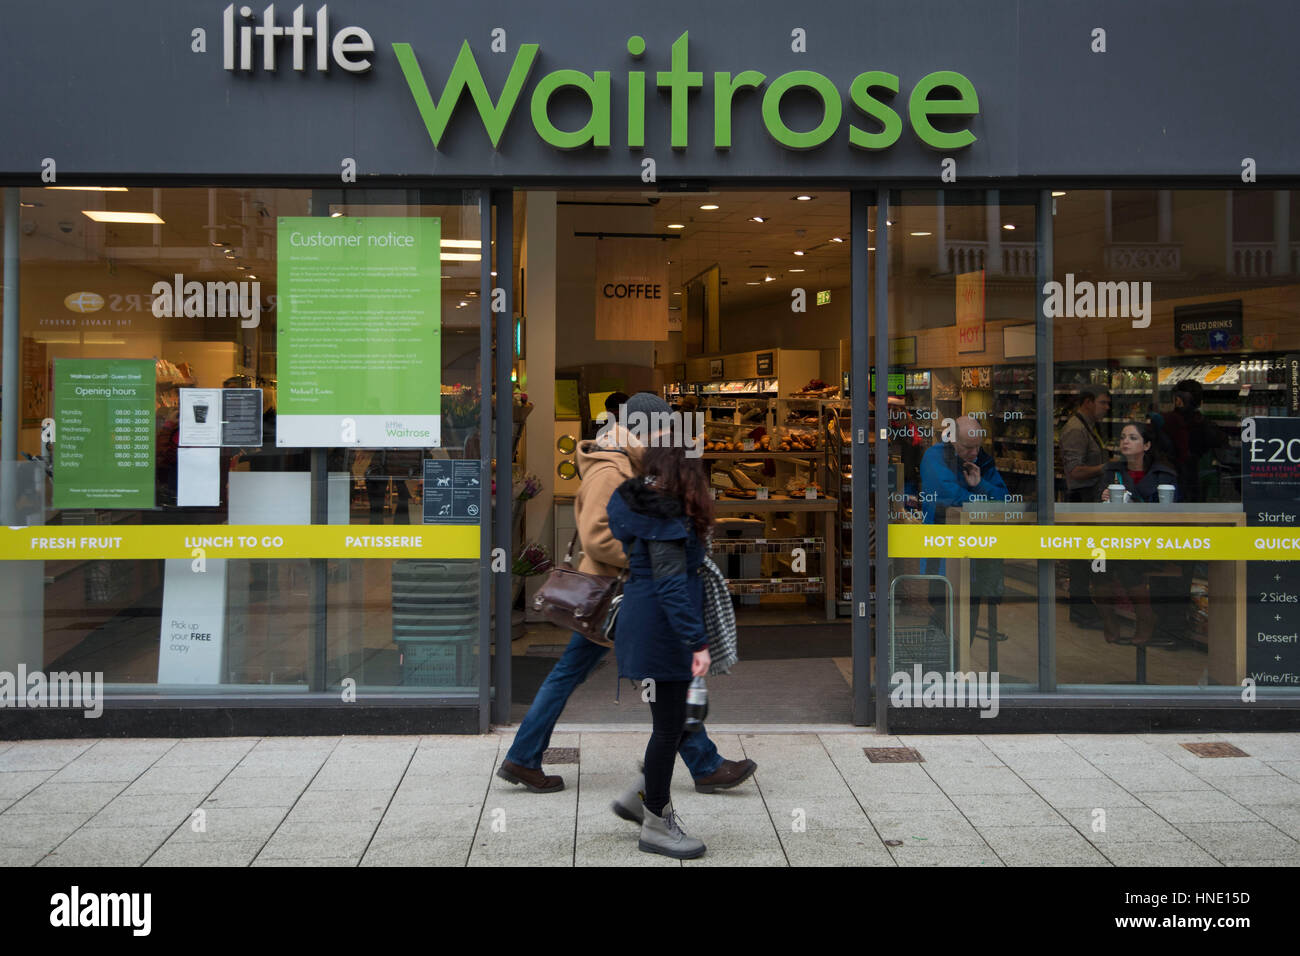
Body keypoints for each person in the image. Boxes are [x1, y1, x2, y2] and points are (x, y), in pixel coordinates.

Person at [497, 392, 756, 795]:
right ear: (644, 429)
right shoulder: (610, 468)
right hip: (611, 597)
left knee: (647, 675)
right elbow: (598, 537)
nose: (669, 437)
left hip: (623, 594)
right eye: (664, 428)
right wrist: (658, 559)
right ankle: (698, 768)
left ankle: (524, 756)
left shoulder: (631, 463)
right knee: (624, 674)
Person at [606, 443, 712, 858]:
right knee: (670, 726)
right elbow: (669, 584)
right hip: (662, 633)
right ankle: (655, 823)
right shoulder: (662, 513)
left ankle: (642, 795)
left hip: (650, 625)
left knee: (683, 719)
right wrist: (696, 642)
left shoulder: (642, 501)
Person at [918, 416, 1009, 639]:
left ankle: (959, 670)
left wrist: (980, 484)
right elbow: (952, 497)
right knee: (943, 614)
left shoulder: (982, 461)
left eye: (978, 446)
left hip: (976, 554)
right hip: (944, 552)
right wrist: (983, 501)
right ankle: (940, 670)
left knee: (969, 615)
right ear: (952, 440)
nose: (975, 453)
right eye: (968, 447)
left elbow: (1004, 499)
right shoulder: (935, 457)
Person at [1094, 421, 1181, 646]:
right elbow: (1095, 504)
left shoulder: (1163, 474)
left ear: (1147, 445)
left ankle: (1145, 618)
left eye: (1133, 438)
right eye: (1123, 437)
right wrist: (1102, 497)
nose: (1125, 441)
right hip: (1113, 537)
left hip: (1150, 539)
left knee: (1127, 566)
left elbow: (1171, 512)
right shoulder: (1112, 471)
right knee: (1096, 564)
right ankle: (1108, 619)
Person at [1058, 387, 1112, 628]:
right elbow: (1074, 471)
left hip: (1092, 498)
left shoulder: (1089, 427)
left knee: (1090, 555)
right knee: (1082, 558)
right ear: (1088, 402)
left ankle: (1086, 607)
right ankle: (1081, 609)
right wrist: (1105, 468)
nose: (1106, 407)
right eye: (1103, 402)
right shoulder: (1076, 429)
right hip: (1082, 499)